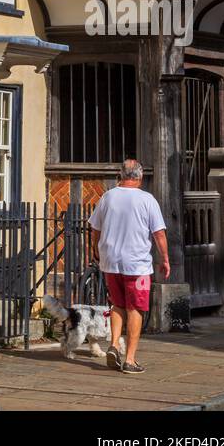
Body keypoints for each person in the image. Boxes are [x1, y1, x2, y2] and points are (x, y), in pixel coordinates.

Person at [88, 158, 170, 373]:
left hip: (111, 262)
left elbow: (95, 228)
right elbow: (159, 233)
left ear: (121, 175)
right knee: (136, 308)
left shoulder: (108, 197)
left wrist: (95, 249)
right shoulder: (147, 199)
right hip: (138, 265)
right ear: (140, 177)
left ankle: (114, 344)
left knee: (117, 304)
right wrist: (165, 258)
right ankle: (130, 360)